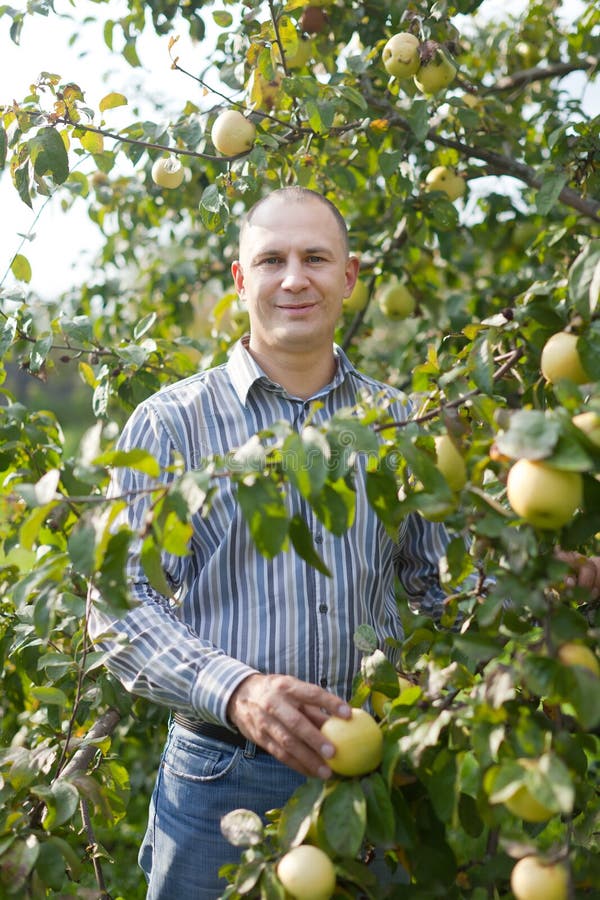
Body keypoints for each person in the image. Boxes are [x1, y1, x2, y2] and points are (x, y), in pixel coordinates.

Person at [88, 187, 600, 897]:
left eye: (315, 258)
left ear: (351, 276)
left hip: (370, 781)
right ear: (241, 280)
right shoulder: (171, 423)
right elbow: (117, 606)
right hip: (218, 783)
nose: (294, 277)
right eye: (271, 259)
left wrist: (535, 589)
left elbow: (446, 587)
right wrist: (238, 691)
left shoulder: (399, 424)